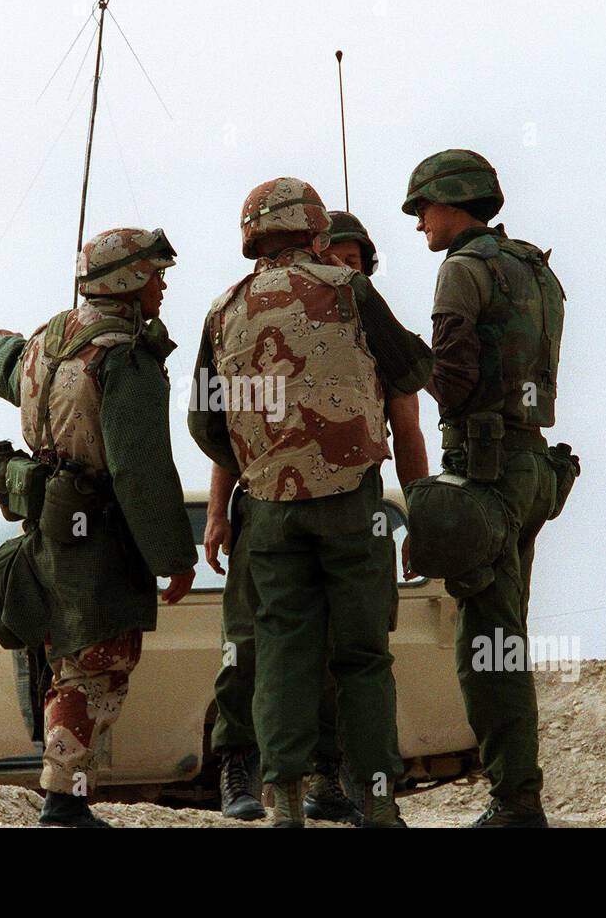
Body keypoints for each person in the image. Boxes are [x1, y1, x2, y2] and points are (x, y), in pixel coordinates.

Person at [189, 178, 432, 827]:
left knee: (284, 653)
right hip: (350, 503)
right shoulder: (349, 288)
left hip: (268, 510)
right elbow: (410, 370)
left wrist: (258, 462)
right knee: (361, 657)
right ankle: (378, 799)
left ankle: (288, 800)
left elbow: (204, 426)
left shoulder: (224, 310)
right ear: (314, 228)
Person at [0, 227, 197, 827]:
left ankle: (65, 797)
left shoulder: (47, 342)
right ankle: (64, 802)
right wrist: (173, 556)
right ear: (126, 280)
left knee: (67, 659)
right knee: (95, 665)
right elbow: (141, 469)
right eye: (154, 273)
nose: (162, 284)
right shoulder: (126, 357)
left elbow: (5, 367)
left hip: (48, 527)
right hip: (99, 532)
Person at [402, 149, 566, 828]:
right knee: (509, 633)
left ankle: (516, 800)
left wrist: (402, 362)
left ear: (454, 202)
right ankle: (516, 792)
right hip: (533, 466)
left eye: (423, 210)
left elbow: (454, 378)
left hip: (486, 471)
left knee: (487, 645)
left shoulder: (462, 270)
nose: (419, 227)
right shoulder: (532, 266)